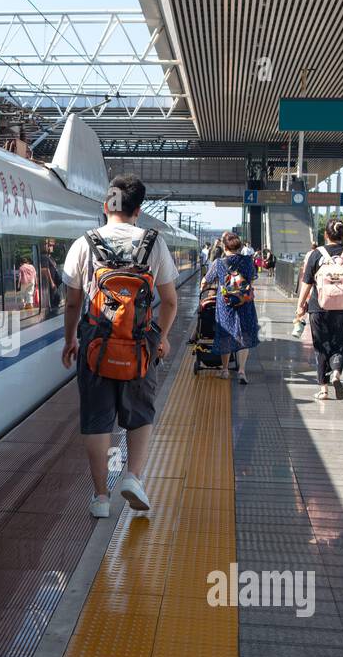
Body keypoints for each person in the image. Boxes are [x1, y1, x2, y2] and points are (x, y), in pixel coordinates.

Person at [61, 174, 179, 518]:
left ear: (106, 206)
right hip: (140, 347)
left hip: (95, 347)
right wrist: (161, 337)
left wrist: (71, 340)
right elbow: (170, 301)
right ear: (138, 210)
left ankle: (100, 497)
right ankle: (133, 478)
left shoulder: (85, 243)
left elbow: (72, 303)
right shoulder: (153, 243)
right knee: (140, 415)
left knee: (97, 421)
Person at [296, 218, 343, 400]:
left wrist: (300, 307)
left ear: (325, 235)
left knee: (321, 346)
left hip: (318, 307)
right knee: (340, 343)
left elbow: (306, 284)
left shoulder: (315, 254)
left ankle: (323, 389)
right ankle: (336, 373)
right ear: (342, 235)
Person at [202, 232, 260, 383]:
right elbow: (252, 280)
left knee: (225, 334)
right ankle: (241, 372)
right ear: (239, 246)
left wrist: (205, 290)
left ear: (224, 246)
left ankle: (225, 370)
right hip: (245, 303)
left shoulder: (219, 263)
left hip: (225, 304)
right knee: (244, 335)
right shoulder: (248, 262)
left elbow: (206, 281)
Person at [39, 238, 63, 313]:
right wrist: (52, 282)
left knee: (56, 299)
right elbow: (45, 269)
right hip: (50, 284)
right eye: (48, 245)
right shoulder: (44, 257)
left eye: (52, 245)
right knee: (54, 300)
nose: (51, 247)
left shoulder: (50, 257)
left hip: (54, 283)